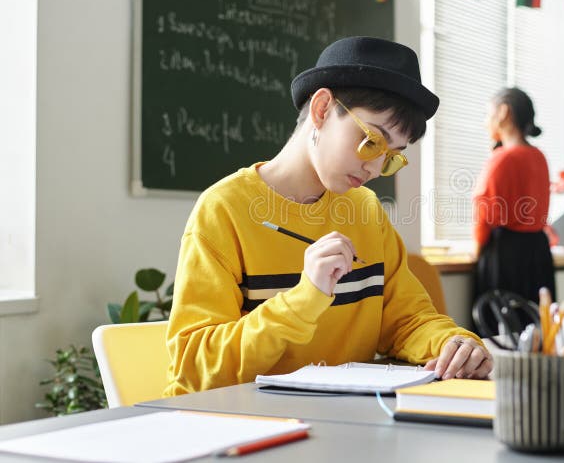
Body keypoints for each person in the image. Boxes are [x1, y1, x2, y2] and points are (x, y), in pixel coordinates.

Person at [165, 36, 493, 396]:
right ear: (322, 109)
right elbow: (194, 367)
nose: (374, 167)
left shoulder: (364, 210)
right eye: (371, 140)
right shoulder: (224, 210)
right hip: (239, 429)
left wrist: (452, 344)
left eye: (391, 157)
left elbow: (408, 320)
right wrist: (304, 299)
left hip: (341, 424)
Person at [472, 87, 555, 312]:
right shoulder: (539, 157)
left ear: (503, 112)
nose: (485, 122)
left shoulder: (501, 159)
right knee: (536, 327)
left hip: (505, 258)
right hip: (538, 254)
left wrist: (478, 251)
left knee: (502, 332)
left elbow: (484, 213)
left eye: (488, 114)